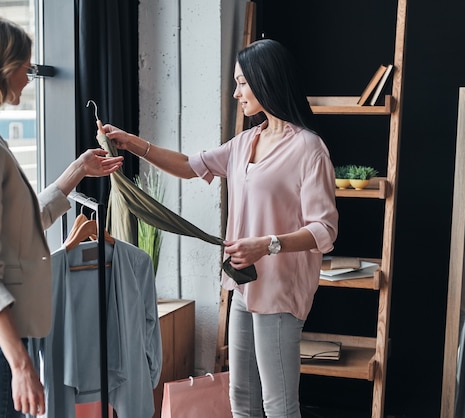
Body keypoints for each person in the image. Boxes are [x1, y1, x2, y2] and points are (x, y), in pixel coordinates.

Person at [104, 39, 338, 418]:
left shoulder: (309, 149)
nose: (235, 93)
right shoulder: (246, 141)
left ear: (266, 81)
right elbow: (189, 164)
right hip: (243, 285)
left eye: (242, 83)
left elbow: (325, 230)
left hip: (280, 292)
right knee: (241, 399)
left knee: (278, 406)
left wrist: (269, 245)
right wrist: (133, 145)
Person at [0, 16, 123, 418]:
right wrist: (21, 365)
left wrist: (76, 173)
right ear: (2, 69)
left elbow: (15, 226)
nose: (30, 74)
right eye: (25, 65)